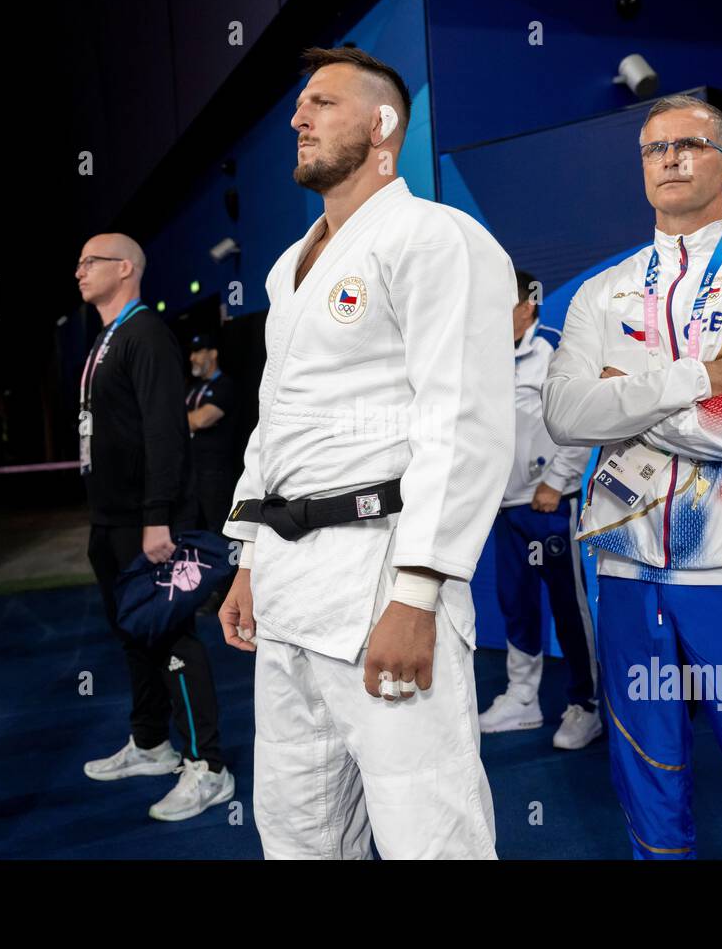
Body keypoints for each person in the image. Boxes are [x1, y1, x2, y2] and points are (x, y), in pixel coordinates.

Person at [218, 46, 516, 859]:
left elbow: (462, 422)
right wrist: (247, 557)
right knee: (297, 827)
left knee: (427, 828)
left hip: (379, 571)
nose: (298, 119)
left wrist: (418, 594)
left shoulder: (436, 238)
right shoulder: (290, 267)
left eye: (322, 103)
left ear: (382, 125)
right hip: (288, 579)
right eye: (299, 107)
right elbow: (275, 422)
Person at [542, 95, 722, 859]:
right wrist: (699, 379)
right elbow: (568, 415)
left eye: (690, 144)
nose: (669, 158)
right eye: (653, 149)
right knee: (647, 784)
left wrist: (628, 399)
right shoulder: (600, 292)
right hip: (626, 566)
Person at [75, 232, 232, 821]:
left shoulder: (145, 334)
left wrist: (157, 516)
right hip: (108, 519)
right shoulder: (106, 339)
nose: (79, 271)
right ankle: (150, 743)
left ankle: (209, 767)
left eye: (90, 262)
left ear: (125, 268)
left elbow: (166, 432)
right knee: (133, 634)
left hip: (147, 521)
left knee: (170, 639)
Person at [480, 269, 599, 747]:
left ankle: (586, 704)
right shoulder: (485, 356)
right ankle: (523, 699)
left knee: (569, 607)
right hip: (505, 507)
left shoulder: (554, 348)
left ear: (528, 305)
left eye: (500, 303)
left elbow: (579, 419)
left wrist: (555, 481)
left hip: (548, 505)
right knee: (516, 605)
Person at [184, 332, 239, 533]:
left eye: (198, 352)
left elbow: (201, 419)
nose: (192, 357)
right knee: (190, 528)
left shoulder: (225, 385)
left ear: (213, 354)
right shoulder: (192, 388)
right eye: (192, 352)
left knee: (218, 529)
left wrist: (183, 419)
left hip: (215, 474)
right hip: (191, 472)